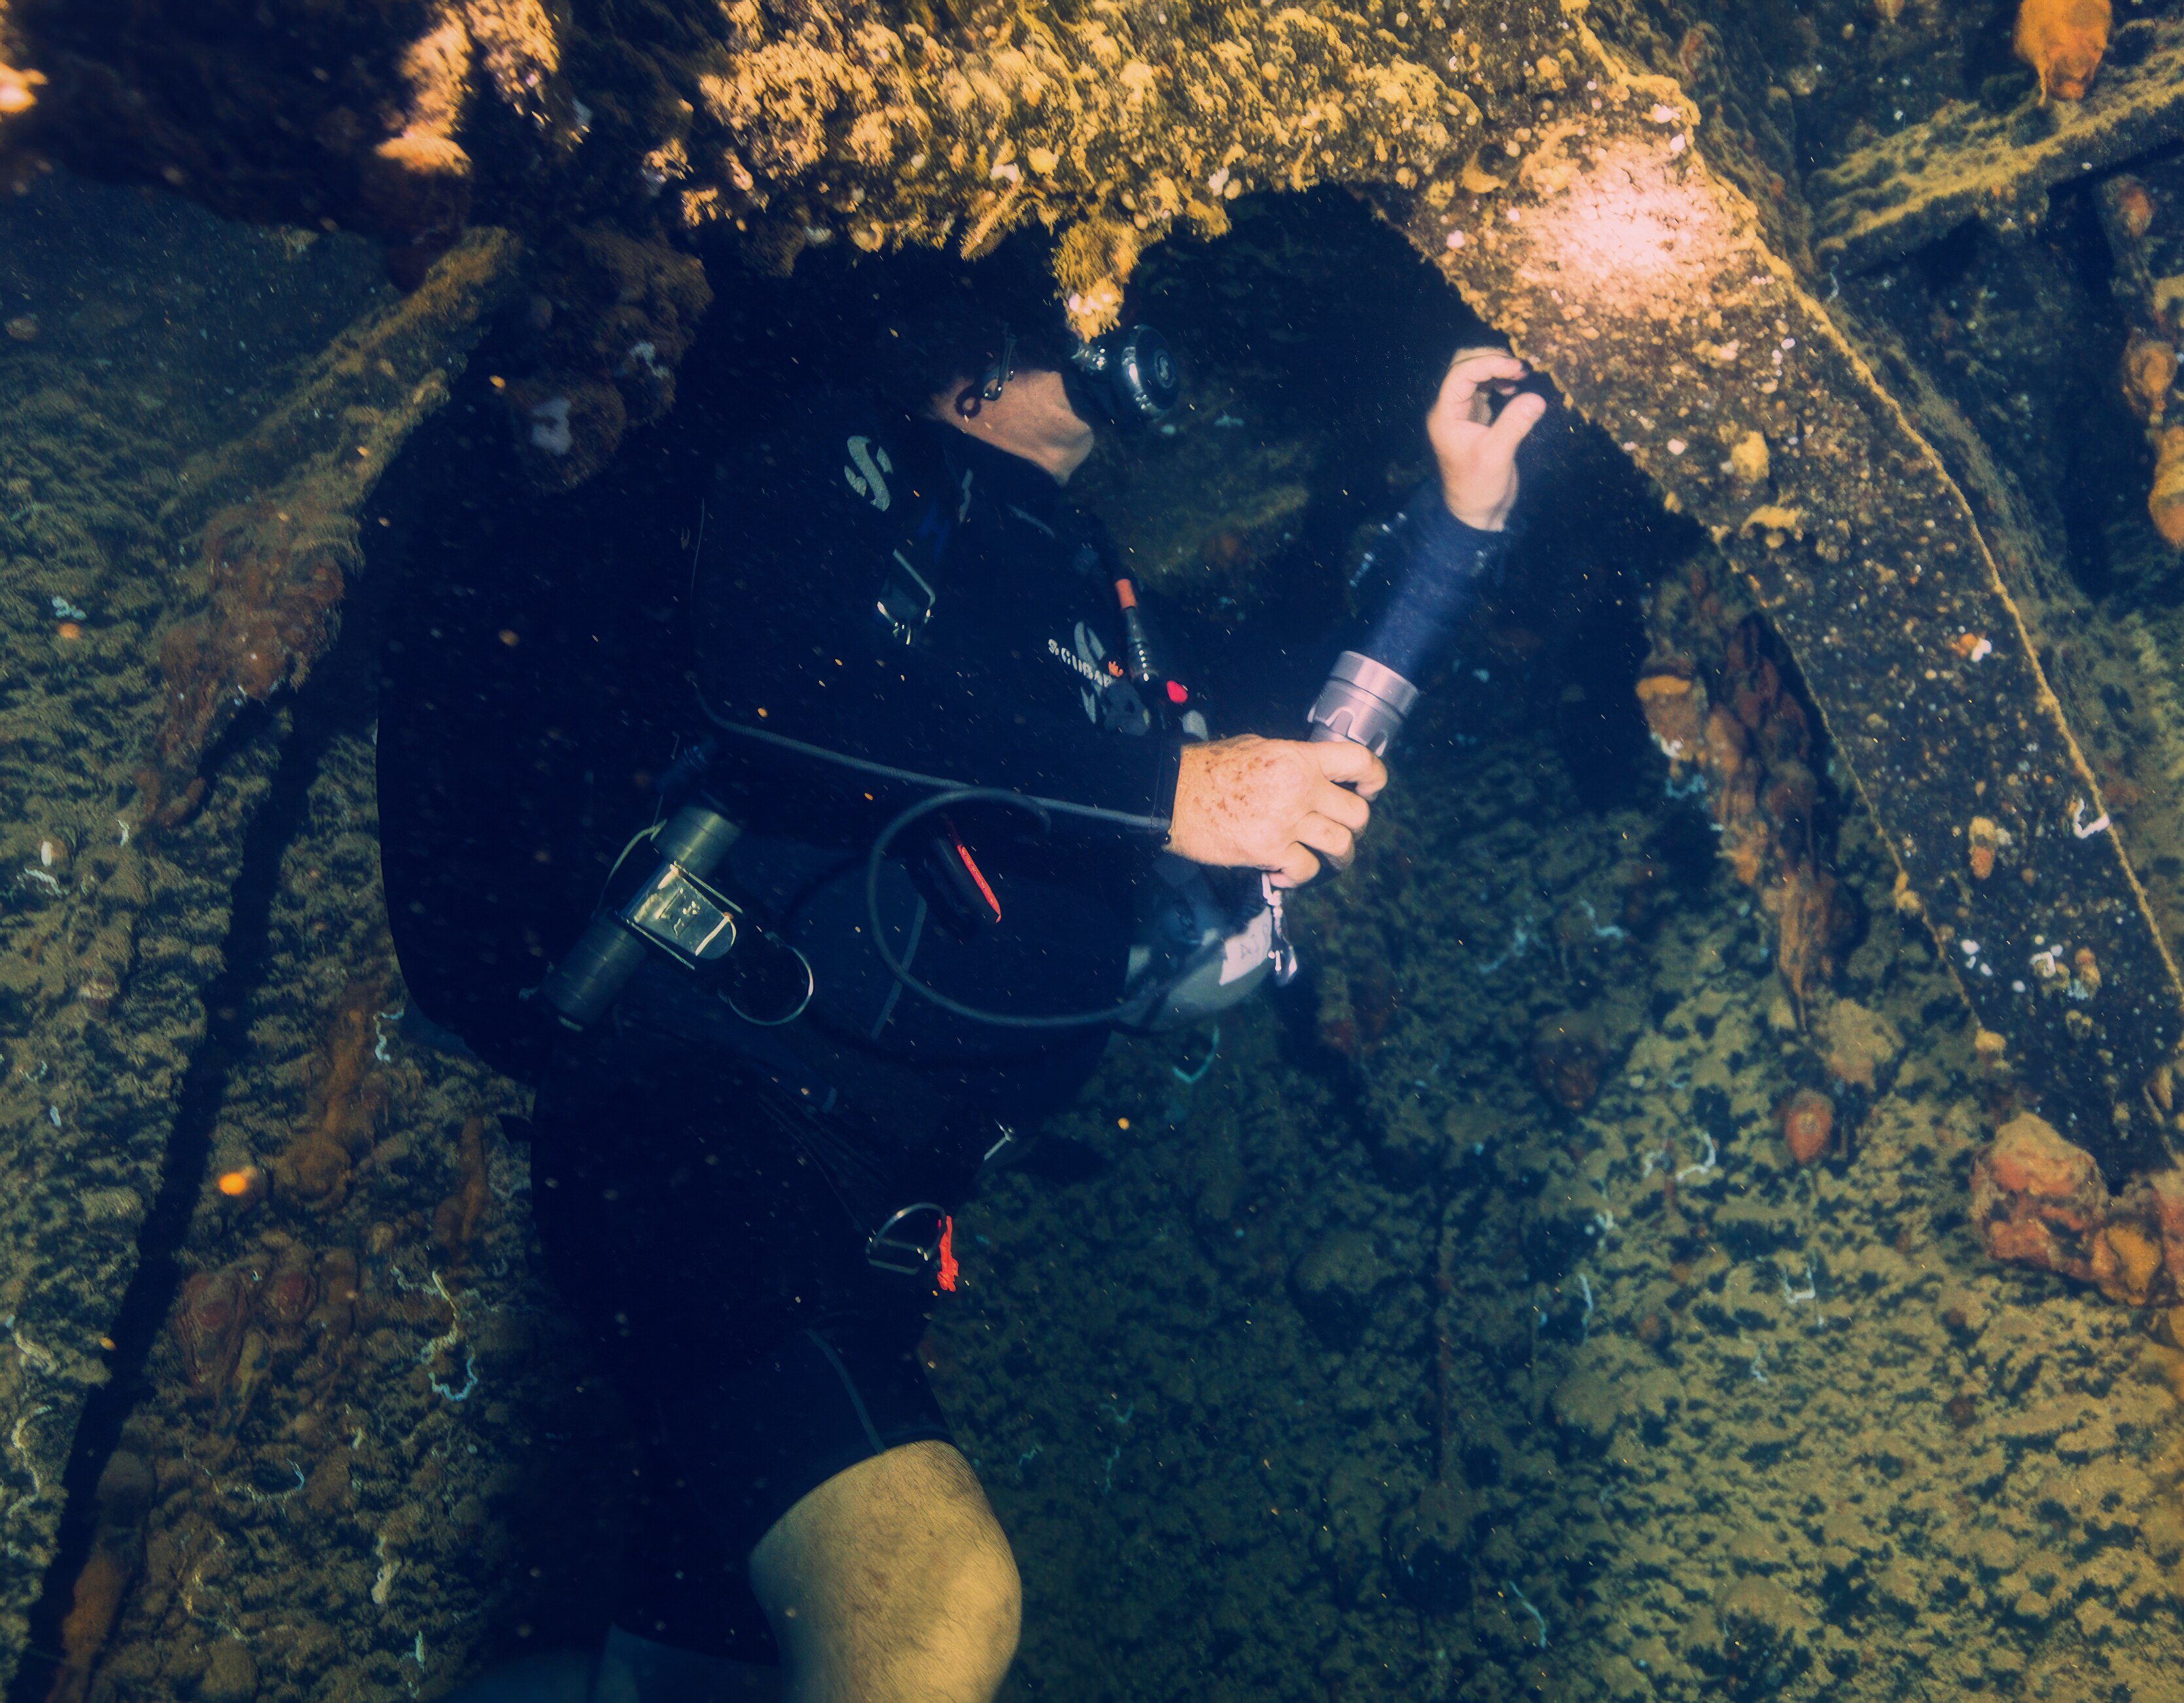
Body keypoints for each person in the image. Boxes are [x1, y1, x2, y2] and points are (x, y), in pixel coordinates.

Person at [459, 292, 1547, 1703]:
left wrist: (1456, 530)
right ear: (962, 359)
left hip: (883, 1213)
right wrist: (1176, 792)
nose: (1125, 330)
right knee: (931, 1605)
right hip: (709, 1127)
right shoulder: (848, 464)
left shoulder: (1092, 587)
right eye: (1074, 305)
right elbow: (773, 681)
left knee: (697, 1675)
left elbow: (1308, 744)